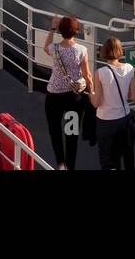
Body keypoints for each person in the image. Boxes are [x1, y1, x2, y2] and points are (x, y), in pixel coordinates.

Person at [43, 15, 91, 170]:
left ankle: (61, 164)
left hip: (54, 97)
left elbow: (46, 46)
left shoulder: (54, 48)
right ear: (76, 32)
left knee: (55, 131)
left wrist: (52, 28)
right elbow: (87, 75)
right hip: (73, 97)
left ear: (61, 32)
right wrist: (93, 91)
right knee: (72, 134)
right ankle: (71, 165)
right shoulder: (81, 50)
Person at [90, 37, 135, 170]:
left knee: (109, 160)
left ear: (104, 51)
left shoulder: (100, 73)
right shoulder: (129, 68)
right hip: (125, 119)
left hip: (106, 122)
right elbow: (134, 96)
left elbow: (96, 103)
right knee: (128, 156)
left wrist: (91, 94)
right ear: (119, 50)